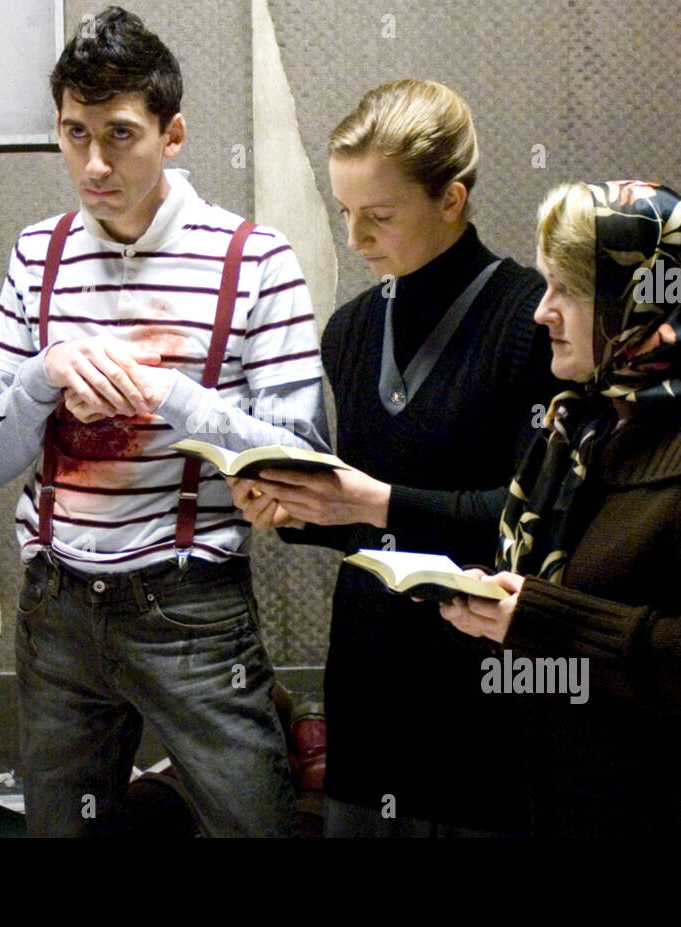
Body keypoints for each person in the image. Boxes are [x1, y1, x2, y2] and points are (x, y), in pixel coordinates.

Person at [0, 7, 328, 837]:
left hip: (190, 606)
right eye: (73, 133)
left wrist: (167, 397)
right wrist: (41, 380)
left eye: (120, 134)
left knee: (257, 826)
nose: (93, 163)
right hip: (55, 604)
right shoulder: (37, 254)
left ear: (173, 134)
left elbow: (305, 462)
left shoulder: (255, 258)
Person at [438, 180, 681, 836]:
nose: (542, 311)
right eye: (543, 284)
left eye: (567, 289)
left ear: (638, 302)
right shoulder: (589, 424)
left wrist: (542, 618)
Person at [231, 80, 561, 836]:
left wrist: (369, 501)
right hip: (371, 676)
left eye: (378, 217)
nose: (355, 240)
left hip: (484, 690)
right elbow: (362, 520)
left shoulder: (532, 320)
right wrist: (294, 509)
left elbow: (532, 527)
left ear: (452, 197)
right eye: (345, 212)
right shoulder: (348, 329)